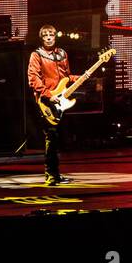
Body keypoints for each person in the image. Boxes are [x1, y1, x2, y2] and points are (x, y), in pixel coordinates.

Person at [27, 24, 79, 185]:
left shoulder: (62, 53)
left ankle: (55, 174)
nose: (49, 37)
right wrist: (49, 95)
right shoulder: (36, 55)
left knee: (59, 139)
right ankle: (51, 175)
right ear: (41, 38)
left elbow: (66, 76)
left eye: (51, 34)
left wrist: (78, 78)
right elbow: (33, 79)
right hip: (46, 102)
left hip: (61, 102)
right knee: (51, 137)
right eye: (45, 35)